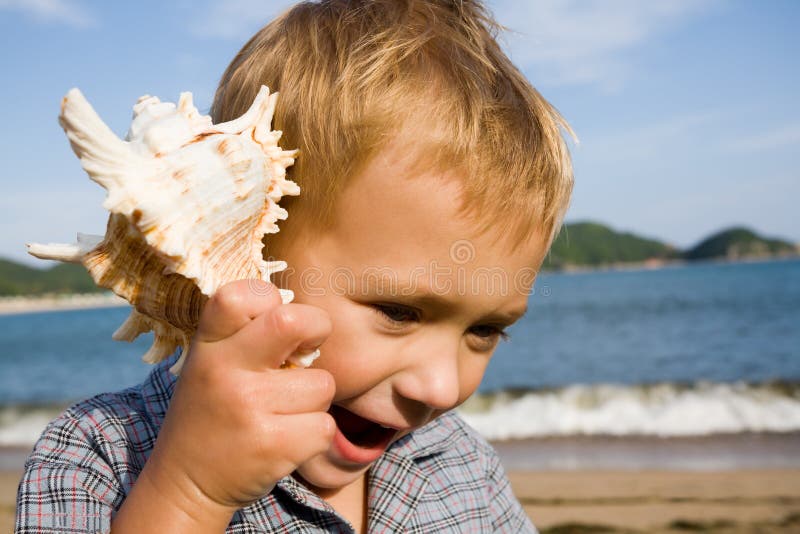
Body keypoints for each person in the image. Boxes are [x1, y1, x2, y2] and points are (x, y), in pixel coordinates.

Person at [15, 1, 573, 532]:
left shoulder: (460, 463)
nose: (442, 388)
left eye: (484, 330)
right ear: (242, 257)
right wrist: (192, 490)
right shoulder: (98, 455)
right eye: (399, 312)